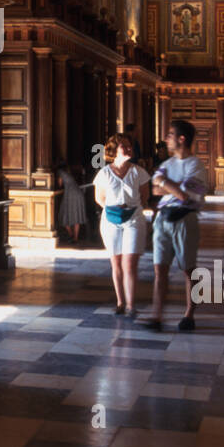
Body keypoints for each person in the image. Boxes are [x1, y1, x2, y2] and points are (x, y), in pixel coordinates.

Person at [147, 119, 207, 332]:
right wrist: (172, 187)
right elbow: (154, 191)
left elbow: (186, 195)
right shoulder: (167, 164)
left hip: (185, 220)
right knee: (159, 268)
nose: (166, 139)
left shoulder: (196, 165)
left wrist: (164, 183)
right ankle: (157, 316)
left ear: (182, 139)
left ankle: (189, 314)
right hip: (163, 218)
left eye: (170, 134)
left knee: (188, 270)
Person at [94, 134, 150, 316]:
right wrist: (114, 211)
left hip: (133, 218)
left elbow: (144, 196)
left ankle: (131, 305)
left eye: (129, 146)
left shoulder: (138, 172)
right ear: (113, 150)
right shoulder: (104, 173)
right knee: (116, 263)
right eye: (123, 146)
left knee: (129, 263)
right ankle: (120, 301)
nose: (128, 149)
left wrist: (127, 208)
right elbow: (99, 198)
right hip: (110, 220)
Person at [57, 160, 86, 243]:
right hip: (78, 194)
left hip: (70, 195)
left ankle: (71, 235)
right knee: (77, 216)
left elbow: (59, 184)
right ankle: (75, 238)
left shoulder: (60, 172)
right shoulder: (68, 171)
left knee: (63, 216)